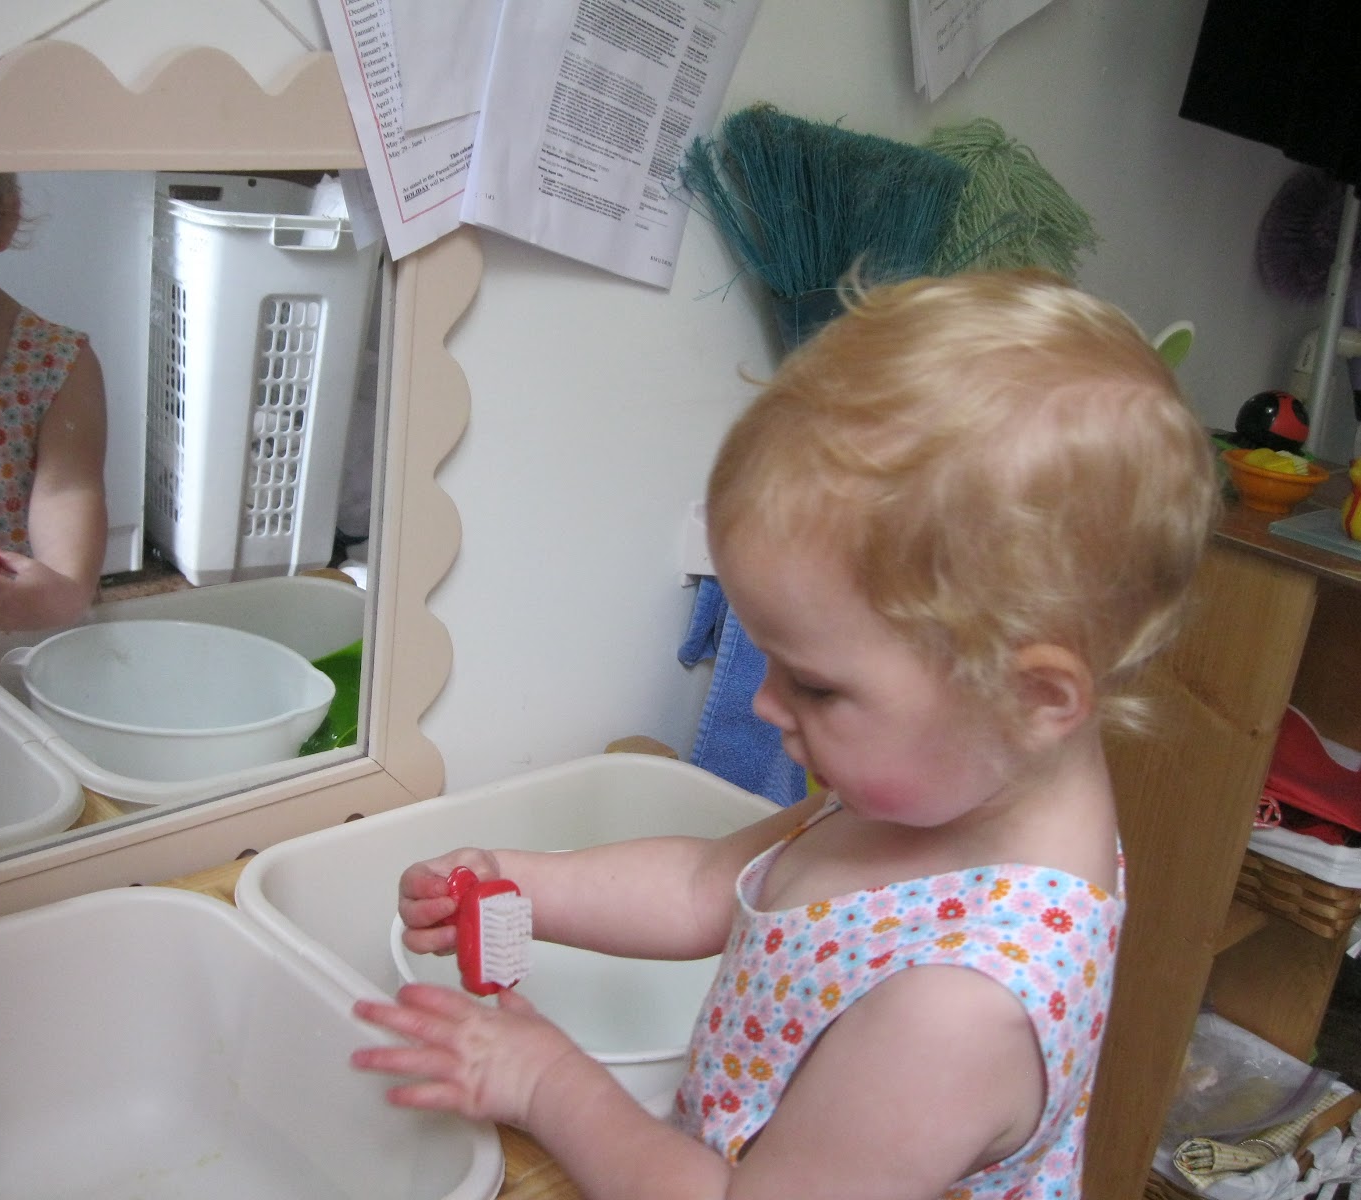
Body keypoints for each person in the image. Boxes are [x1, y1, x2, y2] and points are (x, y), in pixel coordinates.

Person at [349, 269, 1221, 1200]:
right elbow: (703, 888)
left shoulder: (959, 1011)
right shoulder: (945, 781)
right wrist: (518, 883)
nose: (767, 705)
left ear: (1035, 696)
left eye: (814, 683)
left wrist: (544, 1080)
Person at [0, 172, 108, 632]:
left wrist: (64, 588)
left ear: (0, 219)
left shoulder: (53, 362)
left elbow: (68, 489)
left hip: (6, 628)